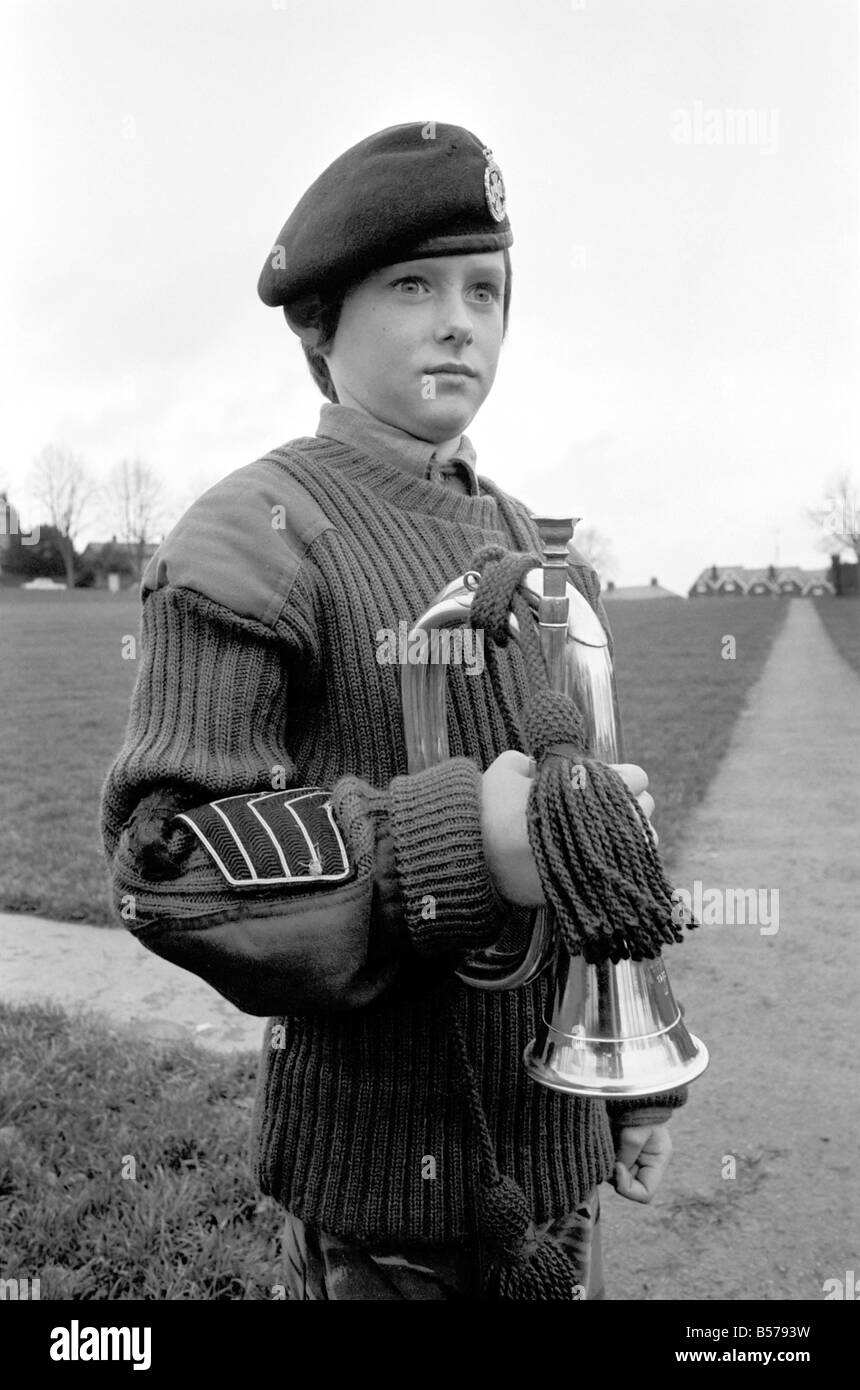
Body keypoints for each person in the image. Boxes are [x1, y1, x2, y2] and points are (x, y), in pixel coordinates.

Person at [100, 121, 685, 1301]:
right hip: (378, 1205)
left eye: (486, 289)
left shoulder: (517, 531)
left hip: (554, 1162)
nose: (459, 318)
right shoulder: (250, 529)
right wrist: (469, 841)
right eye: (413, 284)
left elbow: (579, 825)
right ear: (317, 324)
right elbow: (168, 863)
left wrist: (632, 1082)